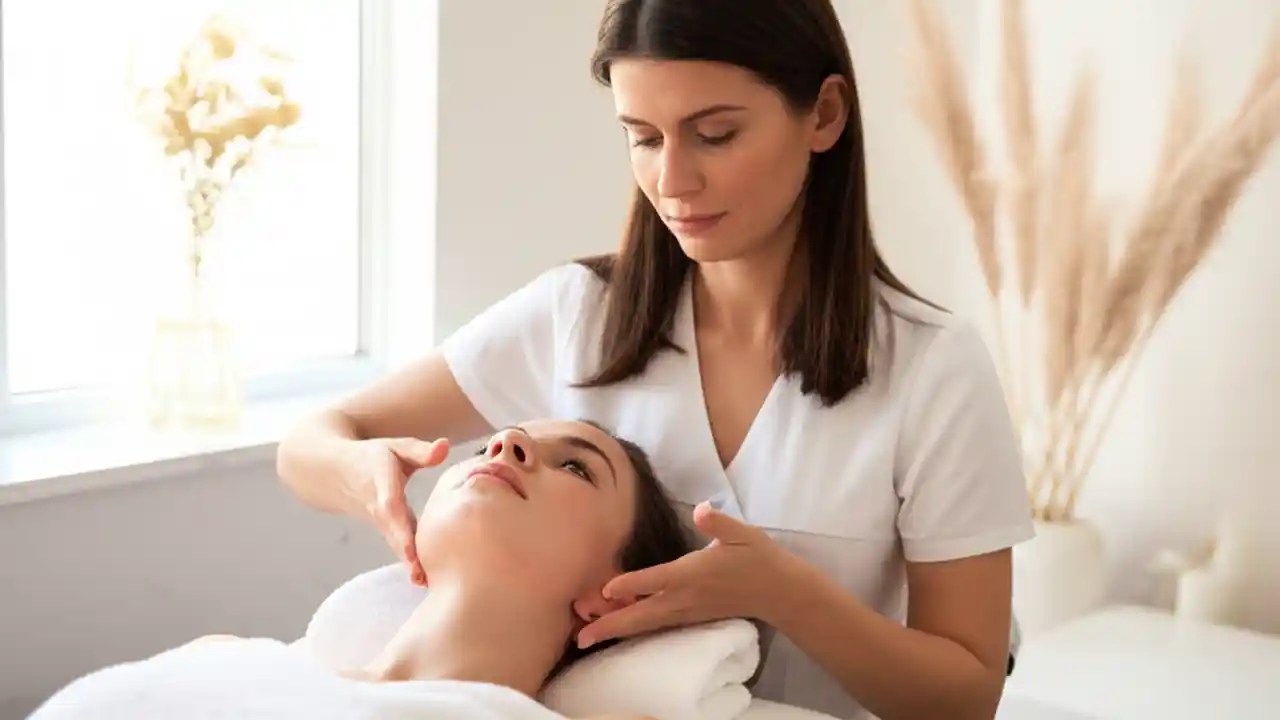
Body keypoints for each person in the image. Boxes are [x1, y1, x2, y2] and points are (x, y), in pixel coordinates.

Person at [276, 0, 1036, 718]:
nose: (673, 182)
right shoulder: (578, 314)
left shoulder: (934, 371)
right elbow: (314, 439)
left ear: (825, 114)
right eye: (643, 136)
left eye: (715, 134)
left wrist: (786, 593)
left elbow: (967, 700)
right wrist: (362, 476)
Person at [31, 421, 689, 720]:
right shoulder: (230, 659)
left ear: (610, 596)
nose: (504, 445)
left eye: (574, 466)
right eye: (499, 438)